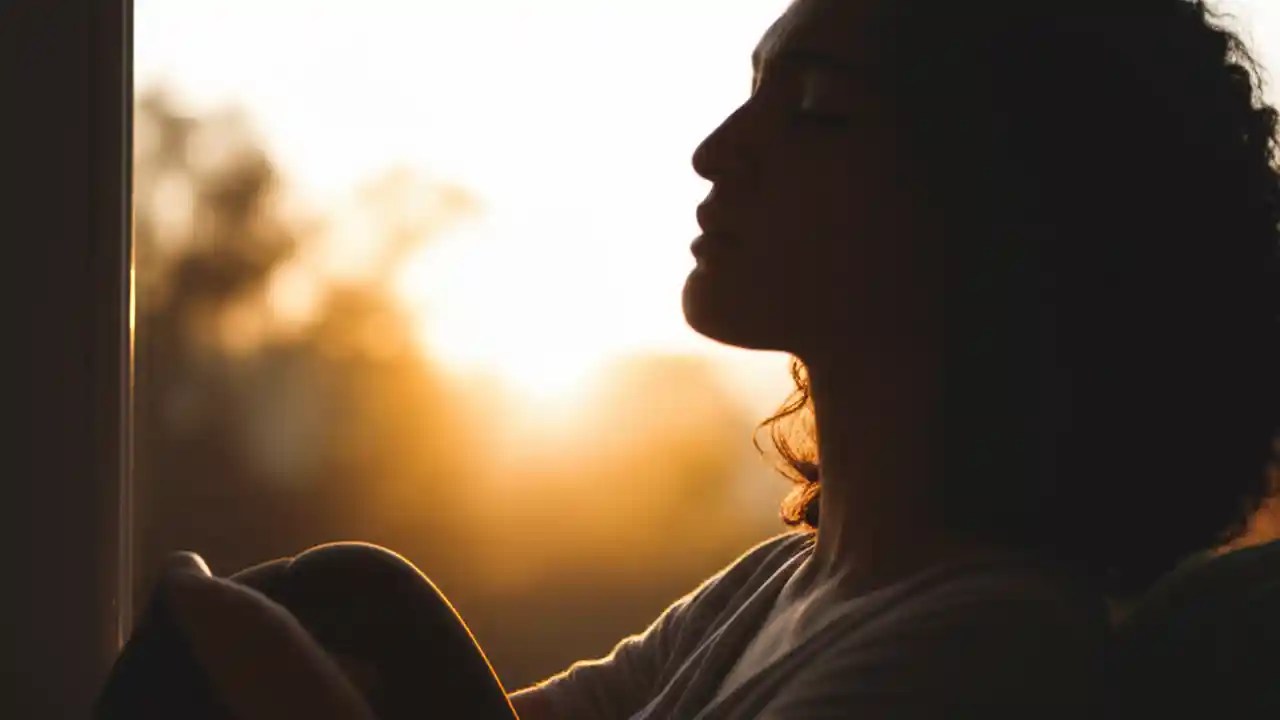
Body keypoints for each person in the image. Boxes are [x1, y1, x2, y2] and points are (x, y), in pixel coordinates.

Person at [95, 0, 1280, 718]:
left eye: (811, 103)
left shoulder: (985, 647)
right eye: (752, 88)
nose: (716, 150)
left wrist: (219, 632)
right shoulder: (785, 586)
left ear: (1000, 210)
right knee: (357, 599)